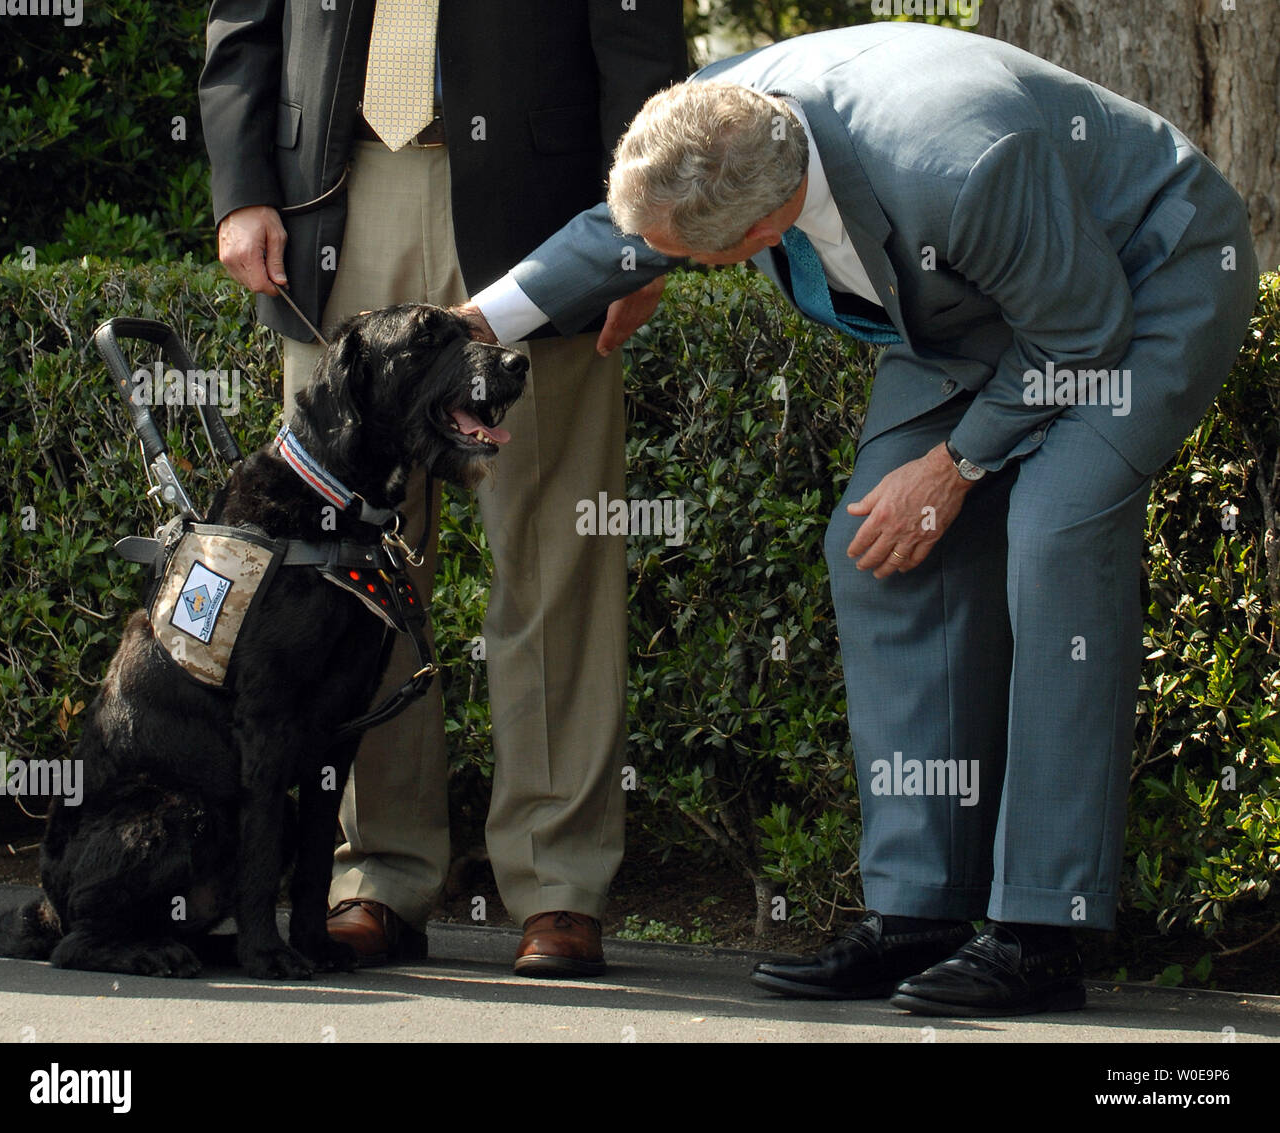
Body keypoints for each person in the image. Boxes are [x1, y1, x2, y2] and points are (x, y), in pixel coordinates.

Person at [461, 21, 1259, 1013]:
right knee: (874, 549)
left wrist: (954, 464)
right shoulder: (721, 116)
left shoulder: (958, 164)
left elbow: (1080, 331)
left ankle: (1043, 932)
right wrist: (459, 331)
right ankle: (921, 908)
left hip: (1141, 286)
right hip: (975, 312)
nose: (646, 261)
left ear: (757, 236)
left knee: (1050, 531)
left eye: (668, 258)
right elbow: (610, 232)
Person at [199, 0, 687, 976]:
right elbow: (242, 21)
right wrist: (242, 186)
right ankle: (372, 875)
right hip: (329, 204)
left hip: (545, 208)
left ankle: (559, 884)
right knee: (347, 571)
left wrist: (650, 227)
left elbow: (637, 34)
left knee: (555, 560)